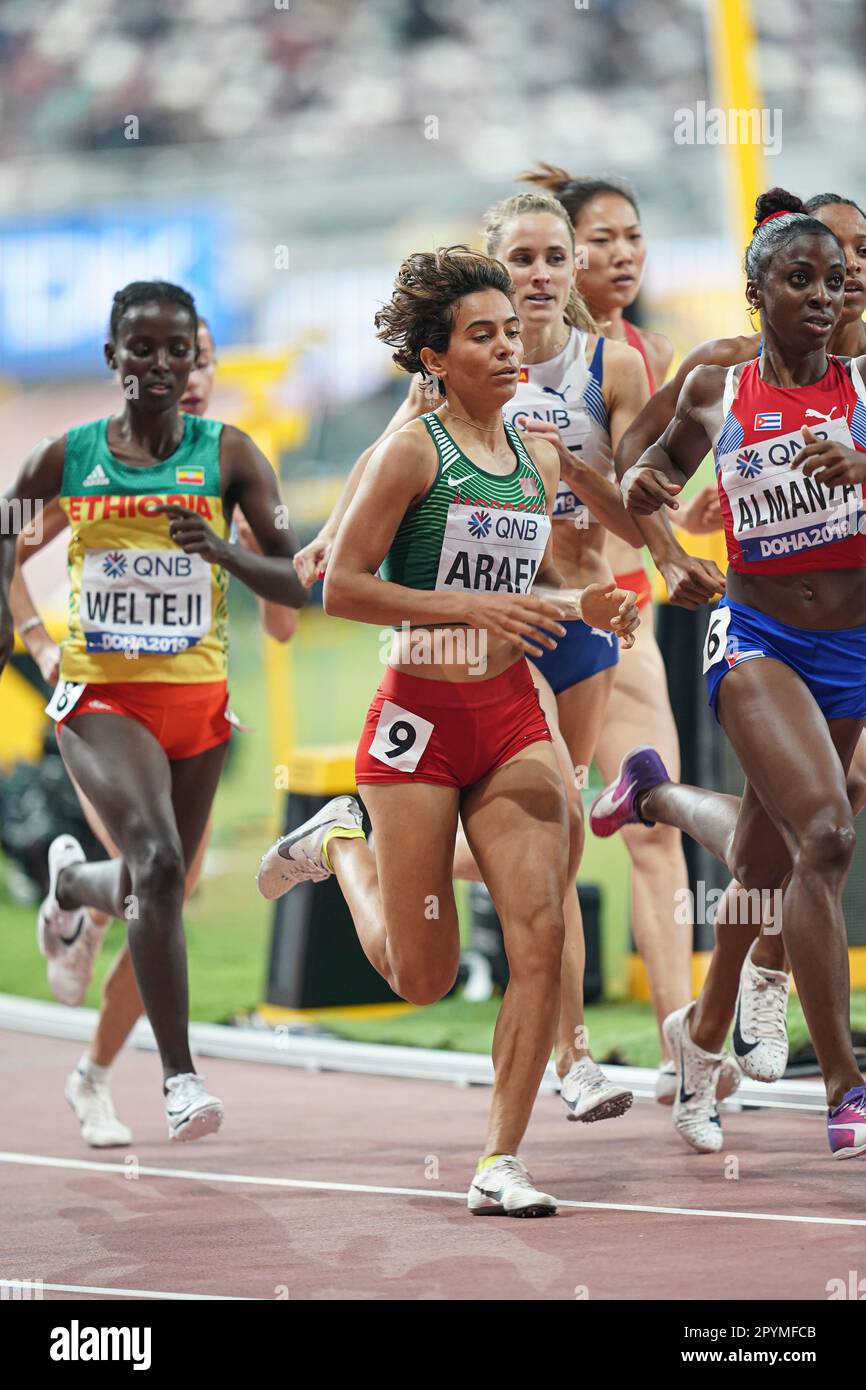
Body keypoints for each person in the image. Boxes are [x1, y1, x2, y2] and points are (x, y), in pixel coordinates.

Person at [259, 246, 639, 1215]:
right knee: (420, 977)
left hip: (509, 716)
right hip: (416, 724)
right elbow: (344, 588)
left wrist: (584, 603)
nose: (508, 348)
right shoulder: (410, 453)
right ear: (435, 357)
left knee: (539, 926)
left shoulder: (538, 456)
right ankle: (339, 845)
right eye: (482, 336)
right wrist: (462, 609)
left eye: (511, 332)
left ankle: (499, 1159)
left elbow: (524, 582)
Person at [592, 189, 866, 1160]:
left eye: (834, 280)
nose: (823, 296)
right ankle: (845, 1088)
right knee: (824, 834)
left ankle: (699, 1036)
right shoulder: (718, 382)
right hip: (755, 640)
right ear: (757, 292)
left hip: (851, 649)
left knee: (761, 864)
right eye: (801, 279)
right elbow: (642, 473)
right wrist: (663, 534)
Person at [0, 280, 307, 1142]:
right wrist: (30, 637)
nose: (171, 367)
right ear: (114, 358)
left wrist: (230, 552)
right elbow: (8, 536)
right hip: (101, 698)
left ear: (207, 366)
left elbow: (291, 599)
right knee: (160, 867)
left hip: (199, 706)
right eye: (147, 349)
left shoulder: (232, 458)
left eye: (189, 353)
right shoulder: (76, 459)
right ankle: (179, 1079)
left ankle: (71, 891)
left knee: (153, 887)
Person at [517, 167, 712, 1095]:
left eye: (633, 236)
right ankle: (573, 1053)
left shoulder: (641, 355)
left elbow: (647, 495)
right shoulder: (487, 347)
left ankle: (684, 1050)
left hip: (618, 607)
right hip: (516, 620)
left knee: (653, 818)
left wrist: (681, 536)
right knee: (541, 842)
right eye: (601, 240)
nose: (622, 254)